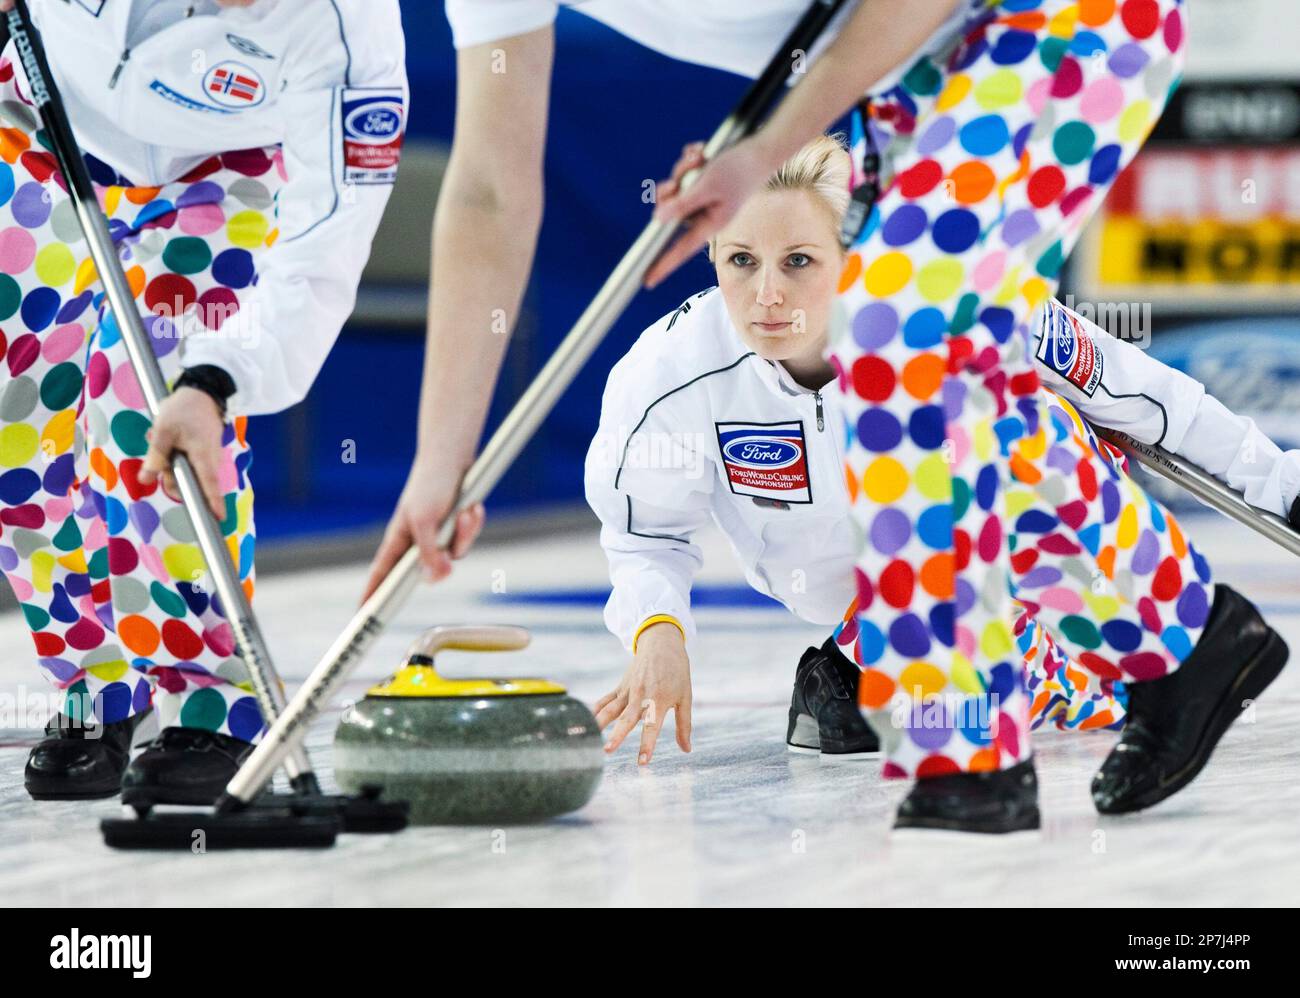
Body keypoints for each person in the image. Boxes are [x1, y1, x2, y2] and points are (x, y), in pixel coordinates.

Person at [405, 0, 1288, 833]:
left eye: (796, 260)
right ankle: (986, 743)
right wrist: (437, 464)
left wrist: (1278, 483)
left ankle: (1167, 646)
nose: (767, 292)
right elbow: (486, 188)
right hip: (904, 80)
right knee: (914, 365)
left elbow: (1148, 394)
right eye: (740, 260)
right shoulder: (680, 368)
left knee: (899, 339)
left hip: (1058, 20)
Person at [0, 0, 408, 805]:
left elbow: (327, 243)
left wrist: (216, 381)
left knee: (143, 415)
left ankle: (211, 699)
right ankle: (96, 685)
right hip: (41, 113)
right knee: (17, 430)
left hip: (230, 164)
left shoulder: (347, 31)